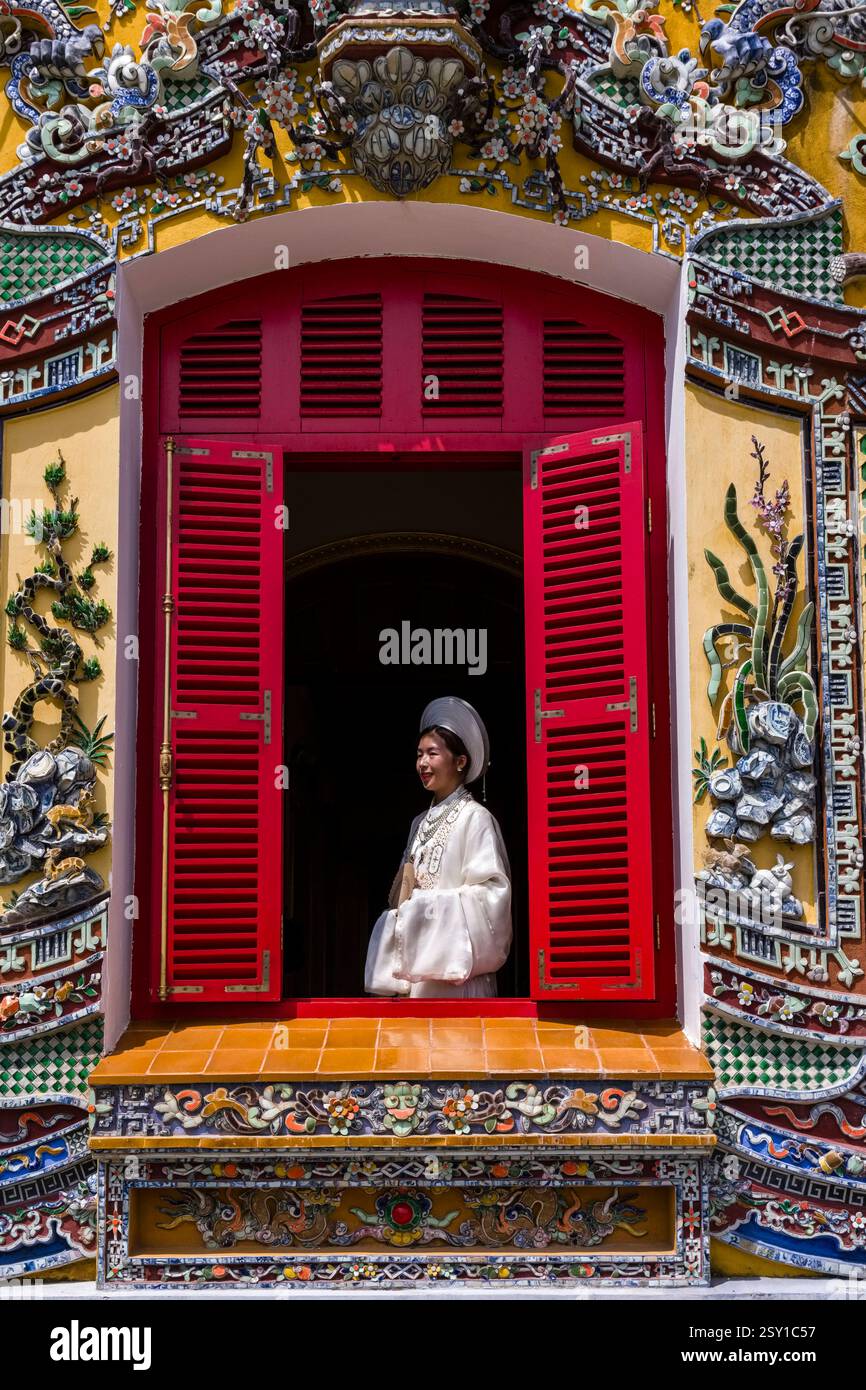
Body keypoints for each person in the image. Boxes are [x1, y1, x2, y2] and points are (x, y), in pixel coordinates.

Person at [364, 696, 512, 998]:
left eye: (432, 753)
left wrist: (428, 910)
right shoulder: (418, 823)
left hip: (460, 982)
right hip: (417, 980)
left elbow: (493, 899)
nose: (422, 763)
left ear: (460, 761)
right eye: (419, 754)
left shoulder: (476, 818)